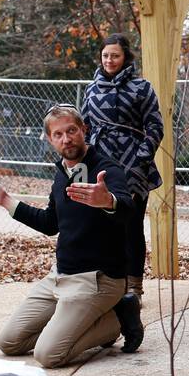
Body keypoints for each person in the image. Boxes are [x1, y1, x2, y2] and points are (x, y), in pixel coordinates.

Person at [0, 106, 143, 367]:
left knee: (48, 355)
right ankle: (71, 325)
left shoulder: (106, 170)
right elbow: (51, 224)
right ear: (50, 139)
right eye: (58, 134)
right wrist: (6, 201)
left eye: (71, 131)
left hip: (98, 281)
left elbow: (128, 212)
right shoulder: (62, 173)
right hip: (59, 277)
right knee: (9, 343)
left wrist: (109, 201)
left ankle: (116, 319)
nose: (66, 139)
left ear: (84, 130)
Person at [80, 34, 163, 324]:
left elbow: (155, 125)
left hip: (134, 166)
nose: (109, 61)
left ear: (125, 57)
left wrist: (141, 156)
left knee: (131, 226)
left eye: (114, 56)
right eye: (105, 56)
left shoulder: (142, 88)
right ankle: (108, 284)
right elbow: (85, 126)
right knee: (102, 225)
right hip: (103, 164)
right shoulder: (92, 89)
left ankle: (134, 285)